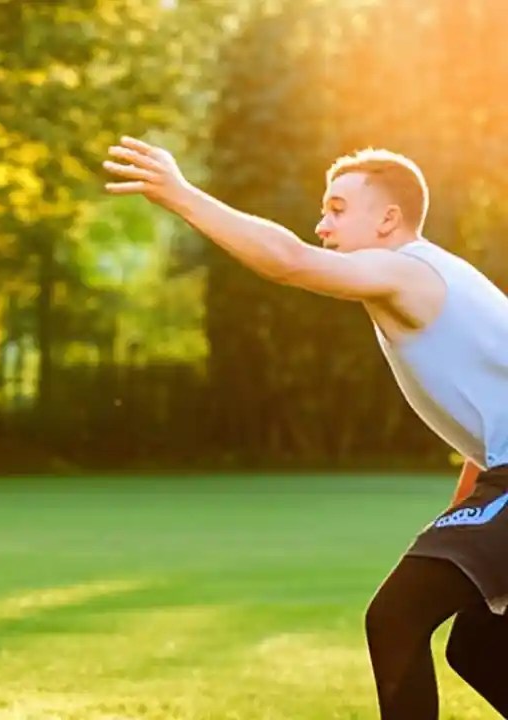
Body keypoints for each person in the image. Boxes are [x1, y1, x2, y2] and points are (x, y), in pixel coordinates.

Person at [105, 136, 508, 719]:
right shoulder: (437, 281)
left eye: (338, 210)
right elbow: (493, 419)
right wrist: (460, 519)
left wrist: (181, 193)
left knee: (397, 616)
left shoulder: (409, 273)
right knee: (478, 645)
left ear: (389, 218)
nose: (322, 226)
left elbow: (289, 261)